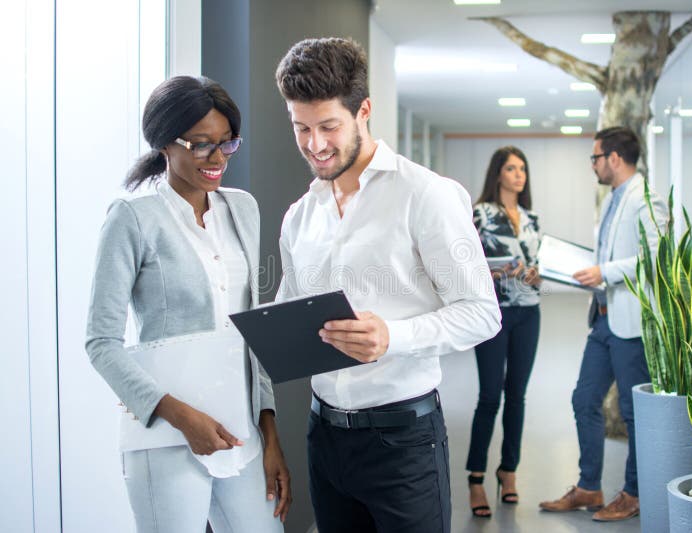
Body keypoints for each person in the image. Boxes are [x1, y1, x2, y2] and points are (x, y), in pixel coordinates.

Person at [274, 37, 501, 533]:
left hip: (404, 441)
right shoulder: (299, 216)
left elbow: (482, 311)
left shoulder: (426, 195)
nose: (315, 144)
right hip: (324, 435)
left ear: (364, 111)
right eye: (302, 128)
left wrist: (392, 338)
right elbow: (289, 308)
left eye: (329, 126)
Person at [85, 75, 291, 532]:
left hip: (242, 434)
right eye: (200, 145)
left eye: (226, 144)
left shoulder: (243, 209)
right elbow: (101, 343)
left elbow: (252, 330)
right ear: (165, 143)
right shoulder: (132, 219)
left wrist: (270, 433)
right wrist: (183, 418)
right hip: (166, 439)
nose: (217, 159)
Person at [538, 126, 666, 522]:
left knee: (632, 413)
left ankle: (633, 493)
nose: (592, 164)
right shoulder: (613, 200)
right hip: (604, 320)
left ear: (614, 158)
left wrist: (604, 272)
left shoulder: (646, 199)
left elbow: (655, 255)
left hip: (631, 323)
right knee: (584, 399)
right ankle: (589, 487)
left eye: (595, 157)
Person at [466, 146, 542, 518]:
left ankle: (507, 471)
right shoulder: (479, 214)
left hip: (529, 312)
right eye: (512, 168)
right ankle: (476, 477)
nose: (519, 174)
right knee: (489, 397)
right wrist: (500, 273)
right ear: (498, 173)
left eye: (522, 168)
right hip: (493, 315)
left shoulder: (531, 218)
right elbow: (468, 266)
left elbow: (536, 266)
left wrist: (533, 274)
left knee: (518, 397)